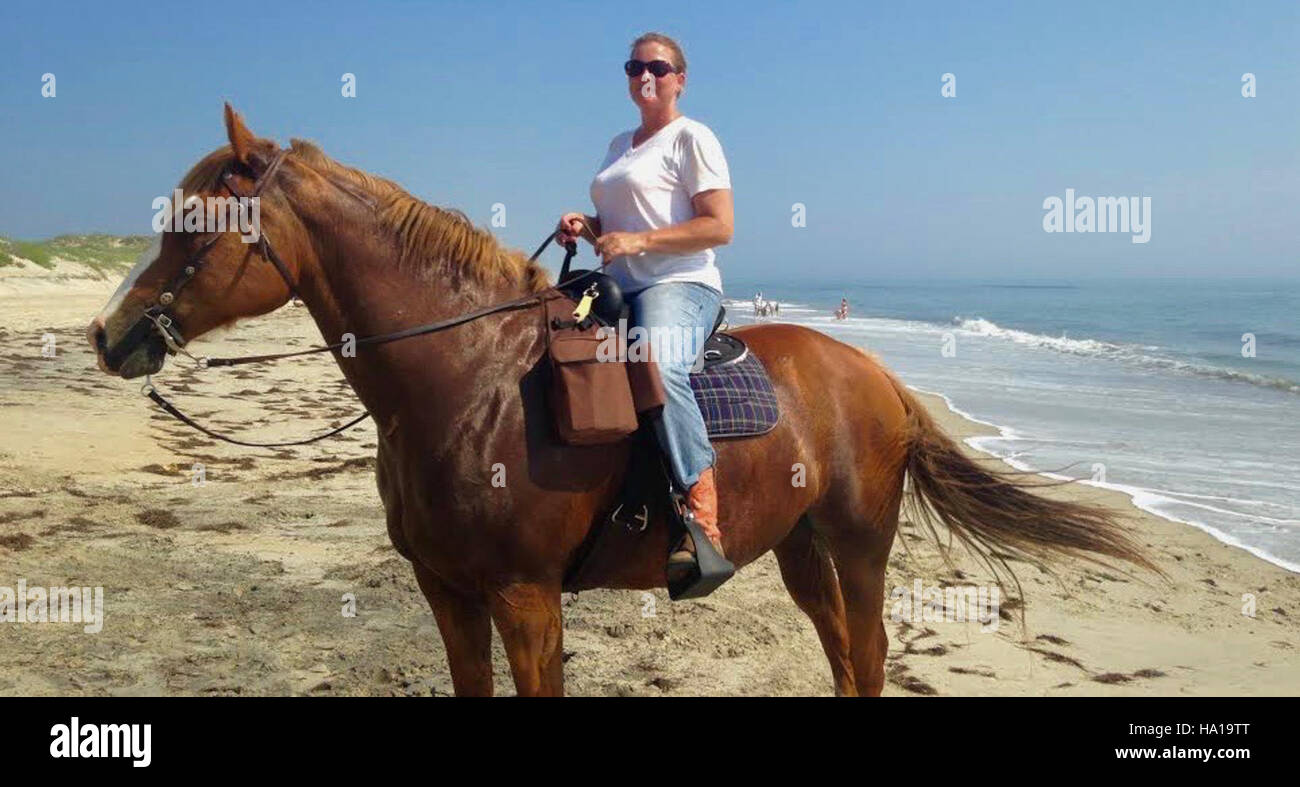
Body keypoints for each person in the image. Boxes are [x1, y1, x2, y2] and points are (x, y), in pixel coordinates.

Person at [556, 32, 734, 585]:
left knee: (655, 357)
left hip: (681, 283)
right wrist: (588, 228)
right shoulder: (619, 145)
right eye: (634, 66)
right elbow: (620, 229)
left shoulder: (691, 137)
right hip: (617, 285)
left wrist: (637, 244)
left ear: (680, 78)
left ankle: (702, 511)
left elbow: (719, 226)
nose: (644, 74)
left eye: (657, 66)